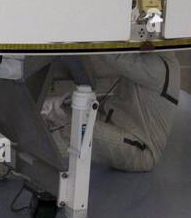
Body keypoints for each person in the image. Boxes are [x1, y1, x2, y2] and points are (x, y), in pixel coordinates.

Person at [42, 52, 182, 173]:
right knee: (68, 111)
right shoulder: (152, 61)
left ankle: (44, 169)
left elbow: (115, 58)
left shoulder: (159, 67)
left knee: (73, 125)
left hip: (140, 150)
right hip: (120, 128)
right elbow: (104, 66)